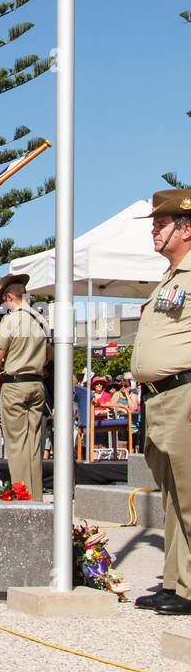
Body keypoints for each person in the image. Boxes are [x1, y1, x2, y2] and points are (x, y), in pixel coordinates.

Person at [131, 191, 191, 615]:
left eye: (161, 222)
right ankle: (178, 583)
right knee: (173, 499)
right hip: (159, 399)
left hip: (184, 394)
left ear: (186, 228)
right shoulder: (170, 279)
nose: (154, 229)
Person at [0, 273, 51, 500]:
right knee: (34, 445)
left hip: (15, 384)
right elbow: (47, 358)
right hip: (37, 383)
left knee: (16, 446)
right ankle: (35, 496)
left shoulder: (11, 319)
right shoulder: (41, 319)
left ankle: (21, 496)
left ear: (8, 297)